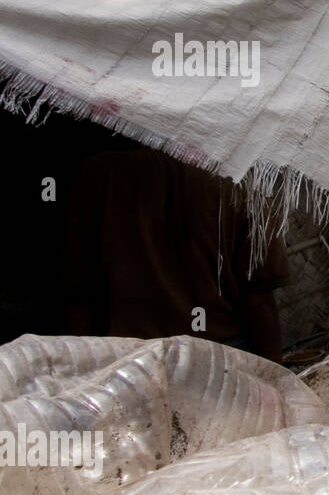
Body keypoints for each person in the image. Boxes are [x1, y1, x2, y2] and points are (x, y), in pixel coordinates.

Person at [64, 146, 289, 362]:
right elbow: (259, 299)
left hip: (131, 355)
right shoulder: (237, 183)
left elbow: (81, 290)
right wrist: (276, 372)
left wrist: (78, 367)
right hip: (218, 351)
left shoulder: (100, 175)